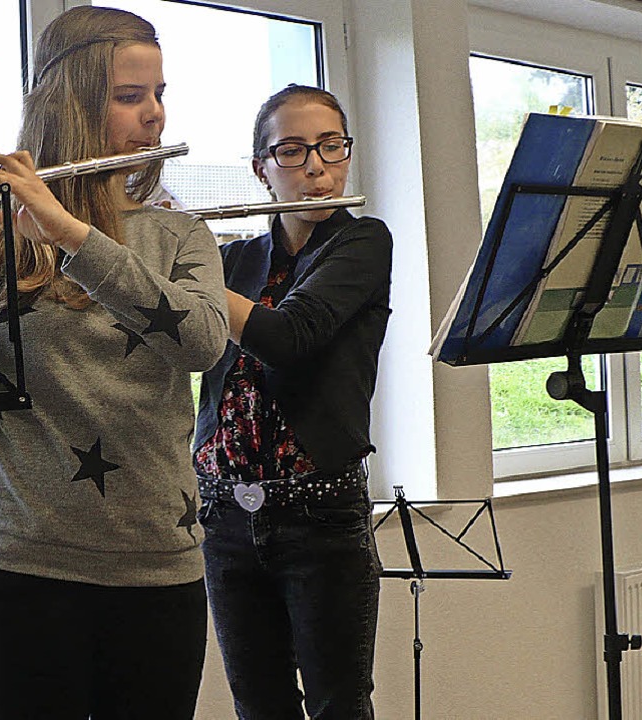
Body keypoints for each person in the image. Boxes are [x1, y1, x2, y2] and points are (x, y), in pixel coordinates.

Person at [0, 7, 228, 718]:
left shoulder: (180, 233)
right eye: (129, 97)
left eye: (159, 95)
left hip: (156, 567)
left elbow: (201, 344)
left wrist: (68, 233)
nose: (153, 115)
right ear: (70, 105)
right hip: (17, 567)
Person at [194, 84, 393, 720]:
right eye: (293, 151)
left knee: (338, 706)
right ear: (261, 169)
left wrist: (187, 267)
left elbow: (290, 338)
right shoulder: (235, 259)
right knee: (259, 704)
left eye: (331, 147)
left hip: (320, 517)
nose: (316, 167)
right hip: (225, 516)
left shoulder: (361, 243)